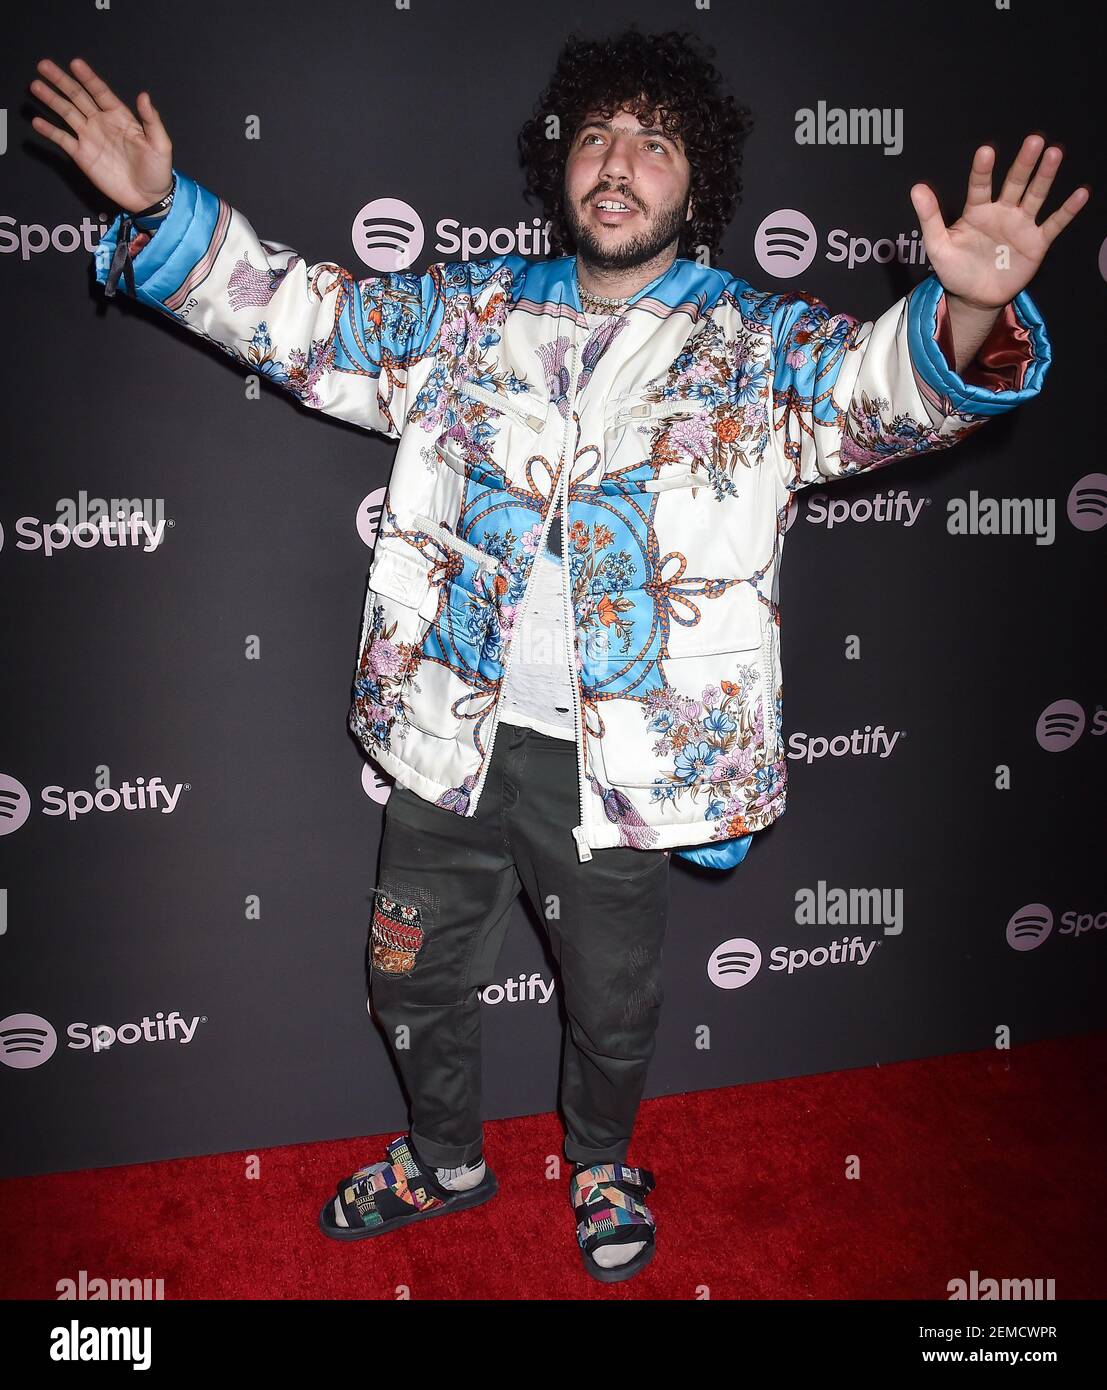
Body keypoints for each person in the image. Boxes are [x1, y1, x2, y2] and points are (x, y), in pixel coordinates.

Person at [29, 26, 1084, 1285]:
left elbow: (875, 392)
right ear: (563, 169)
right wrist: (168, 214)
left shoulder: (753, 347)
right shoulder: (467, 317)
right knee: (406, 968)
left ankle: (598, 1162)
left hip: (619, 773)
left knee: (615, 1004)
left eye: (655, 140)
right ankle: (446, 1155)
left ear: (701, 182)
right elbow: (305, 319)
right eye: (596, 137)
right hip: (448, 738)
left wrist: (967, 309)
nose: (619, 163)